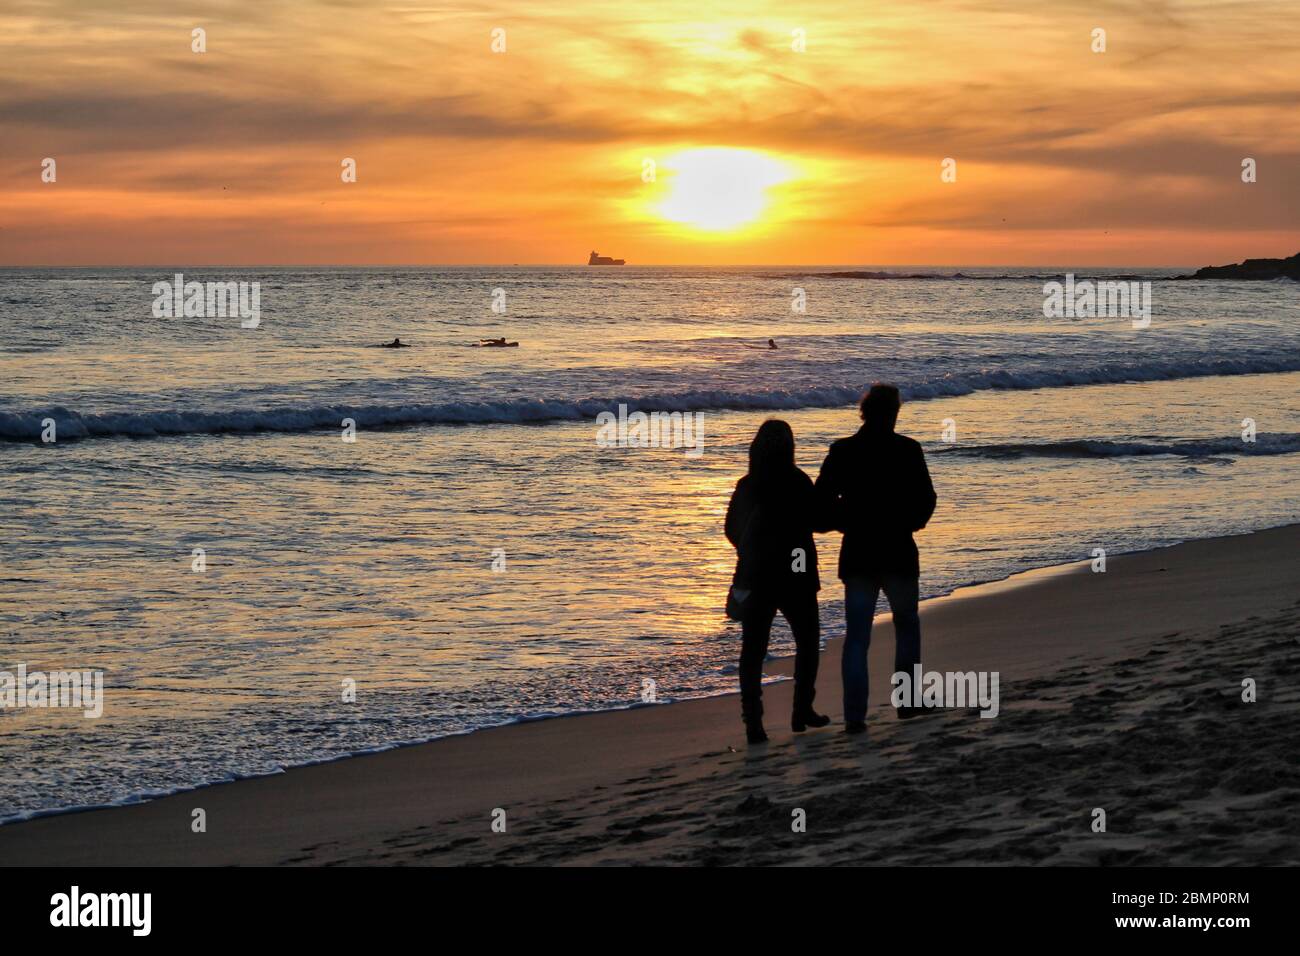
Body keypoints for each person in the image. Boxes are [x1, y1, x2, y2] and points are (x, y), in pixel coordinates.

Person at [816, 383, 936, 733]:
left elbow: (820, 504)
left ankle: (855, 717)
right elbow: (926, 499)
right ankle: (909, 702)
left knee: (857, 637)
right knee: (906, 626)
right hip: (898, 549)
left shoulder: (842, 451)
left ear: (864, 412)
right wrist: (910, 523)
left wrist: (845, 521)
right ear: (894, 413)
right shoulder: (908, 450)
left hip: (858, 553)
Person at [725, 419, 834, 744]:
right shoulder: (798, 481)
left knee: (753, 651)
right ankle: (802, 710)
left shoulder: (748, 484)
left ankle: (754, 725)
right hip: (797, 572)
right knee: (807, 642)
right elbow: (820, 521)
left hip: (758, 575)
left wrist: (751, 551)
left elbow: (730, 529)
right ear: (790, 448)